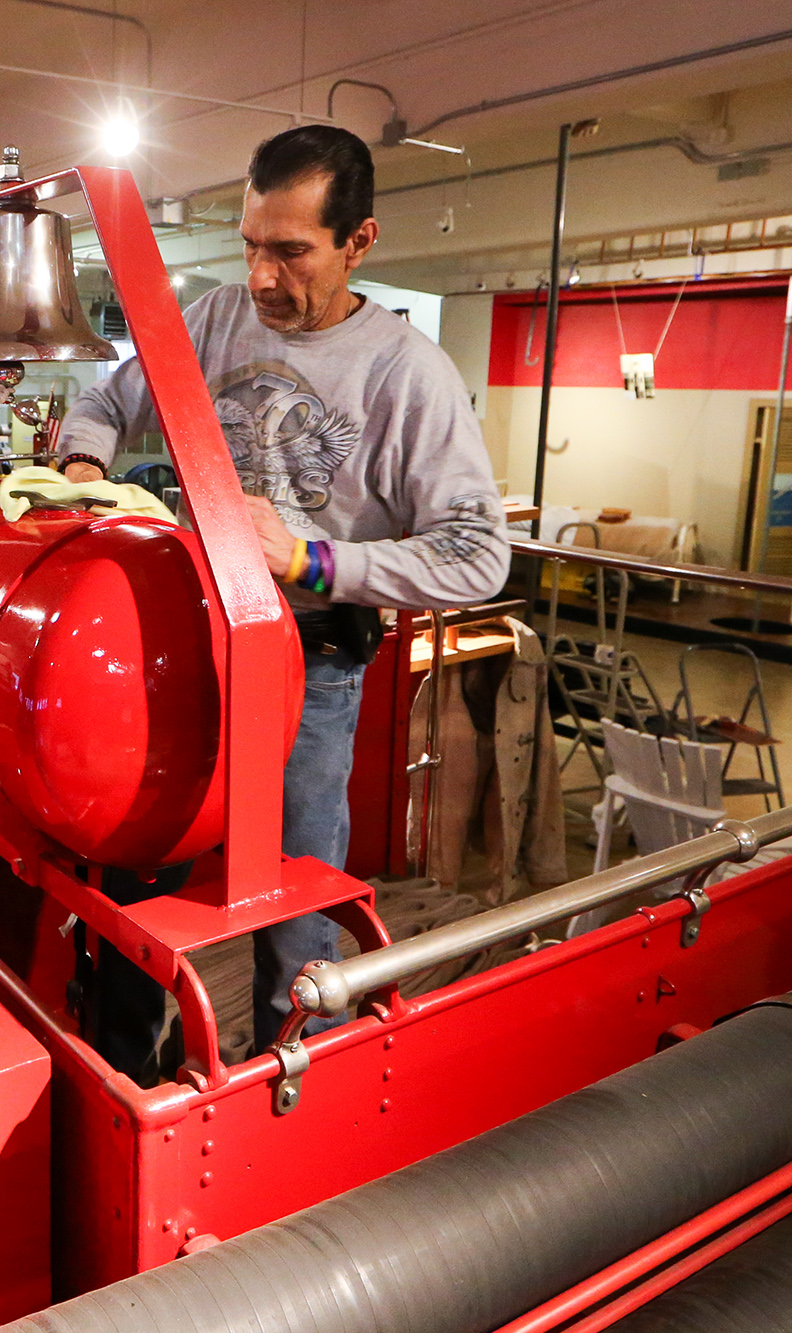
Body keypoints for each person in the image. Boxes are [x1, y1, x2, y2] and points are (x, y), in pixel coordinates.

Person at [55, 124, 510, 1084]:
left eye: (292, 251)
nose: (262, 277)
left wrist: (306, 557)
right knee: (135, 876)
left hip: (313, 666)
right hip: (184, 649)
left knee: (296, 902)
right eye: (251, 245)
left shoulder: (406, 374)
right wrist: (83, 468)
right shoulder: (215, 318)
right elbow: (101, 401)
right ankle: (121, 1083)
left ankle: (292, 1087)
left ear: (359, 242)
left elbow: (476, 555)